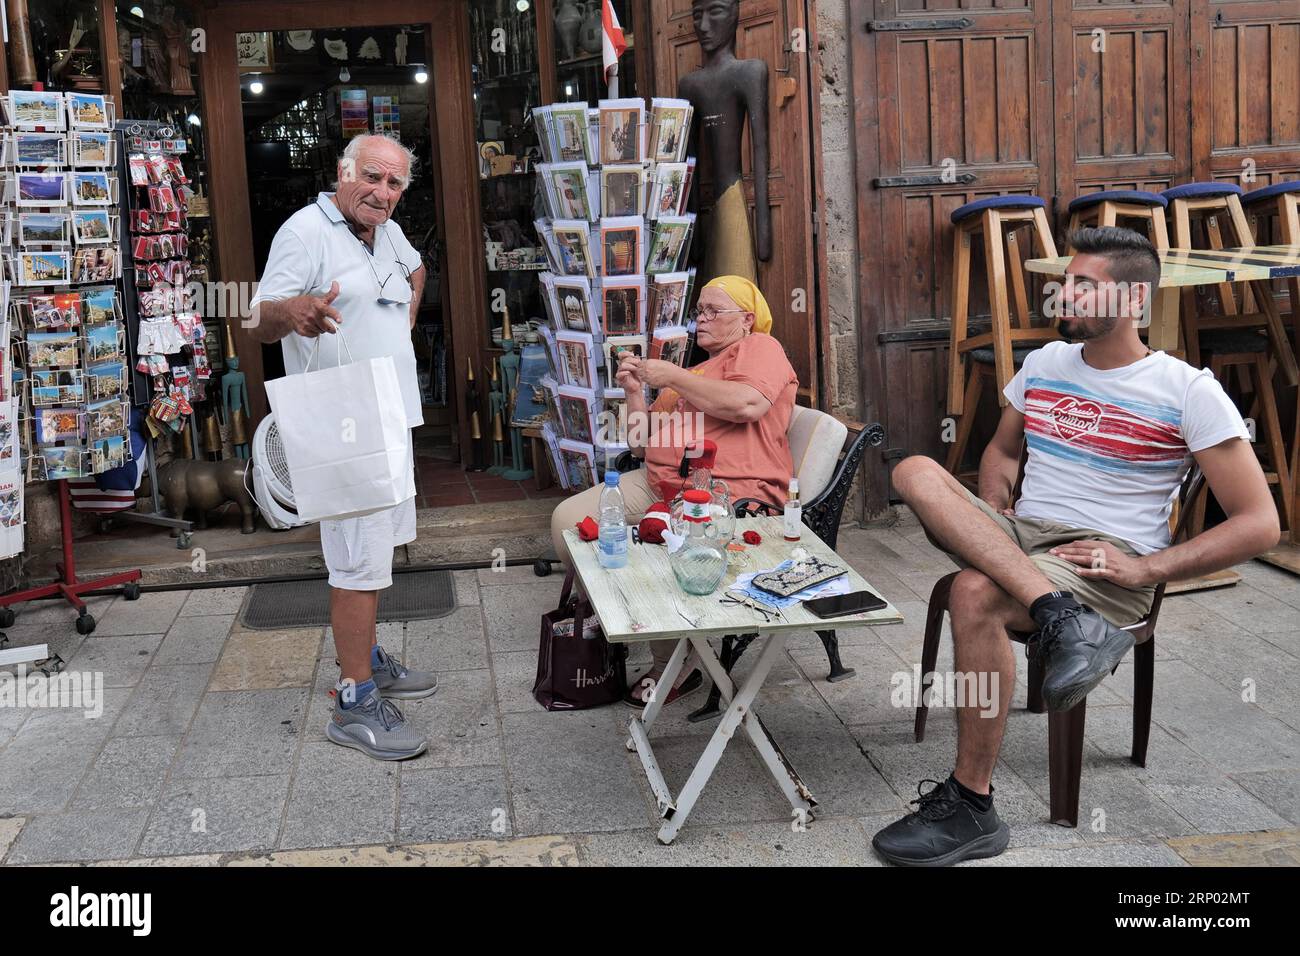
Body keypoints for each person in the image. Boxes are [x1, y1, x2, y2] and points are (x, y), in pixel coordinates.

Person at [873, 227, 1280, 866]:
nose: (1066, 295)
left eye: (1084, 285)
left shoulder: (1187, 390)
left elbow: (1260, 524)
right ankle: (1059, 617)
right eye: (1067, 282)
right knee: (913, 470)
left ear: (1136, 298)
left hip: (1103, 558)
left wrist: (1146, 566)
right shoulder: (1043, 365)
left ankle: (971, 804)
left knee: (974, 589)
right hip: (1026, 539)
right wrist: (998, 500)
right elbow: (1004, 451)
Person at [248, 133, 435, 762]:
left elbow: (416, 270)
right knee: (356, 559)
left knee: (378, 549)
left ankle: (367, 656)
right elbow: (258, 316)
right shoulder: (305, 230)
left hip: (390, 413)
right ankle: (353, 700)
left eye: (395, 184)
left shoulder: (386, 231)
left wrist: (402, 321)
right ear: (343, 172)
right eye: (373, 178)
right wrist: (296, 312)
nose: (382, 193)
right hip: (345, 422)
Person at [549, 275, 798, 707]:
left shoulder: (760, 349)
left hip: (726, 493)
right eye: (698, 310)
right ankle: (623, 616)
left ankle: (674, 662)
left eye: (712, 311)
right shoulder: (697, 372)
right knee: (567, 522)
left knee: (659, 544)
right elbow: (640, 442)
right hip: (659, 483)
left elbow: (746, 404)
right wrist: (633, 392)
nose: (700, 319)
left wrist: (673, 375)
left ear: (747, 319)